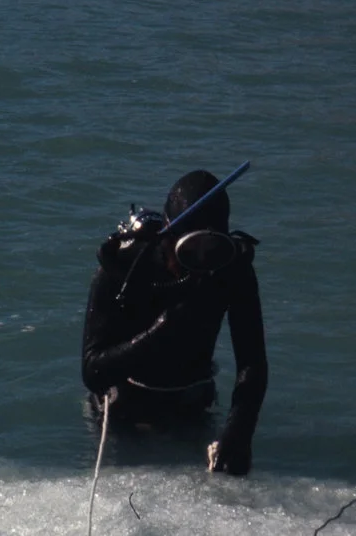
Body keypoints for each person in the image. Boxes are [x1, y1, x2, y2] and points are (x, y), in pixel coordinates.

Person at [82, 169, 267, 475]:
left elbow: (252, 363)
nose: (202, 267)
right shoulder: (125, 266)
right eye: (190, 252)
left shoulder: (231, 270)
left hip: (192, 404)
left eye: (213, 251)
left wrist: (239, 431)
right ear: (168, 235)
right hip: (122, 407)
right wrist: (161, 332)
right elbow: (92, 371)